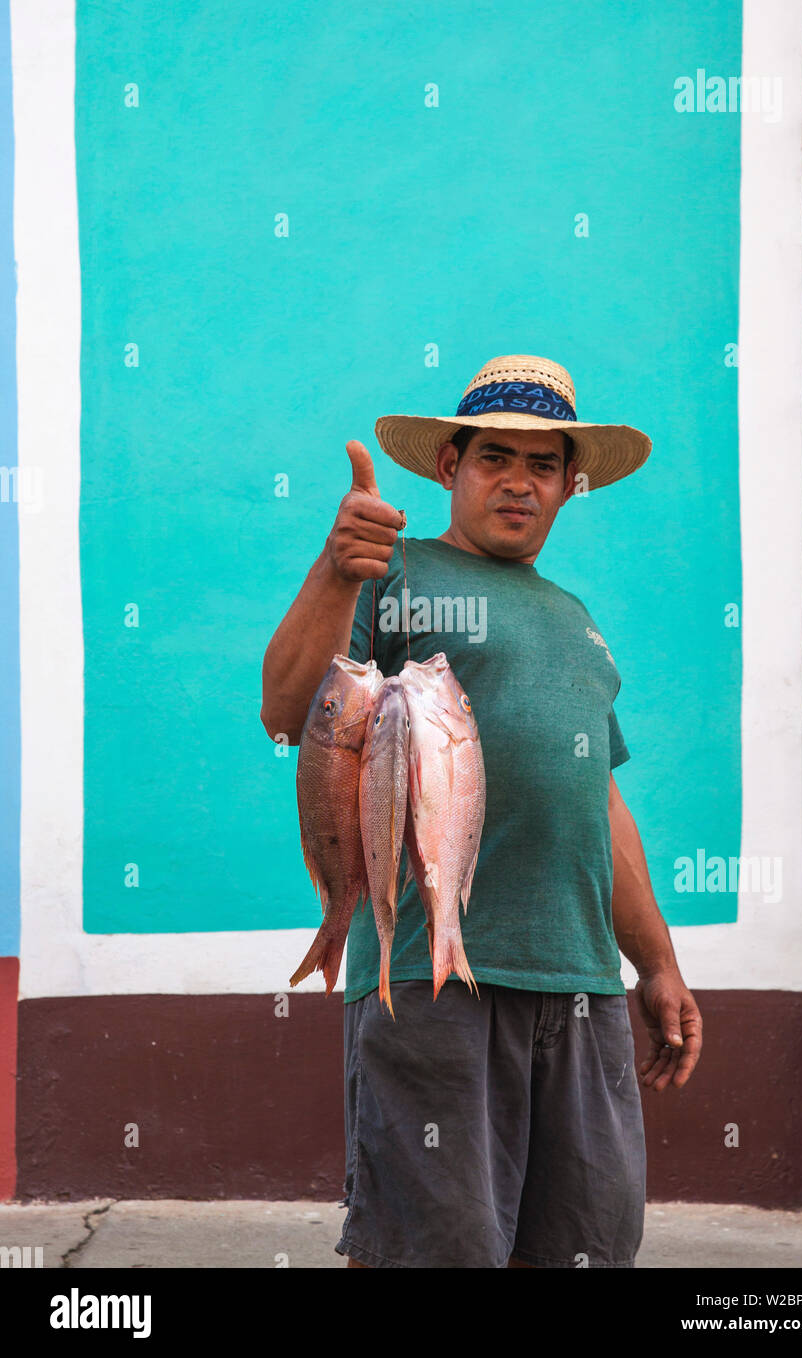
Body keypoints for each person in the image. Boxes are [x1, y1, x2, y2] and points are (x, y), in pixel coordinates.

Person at [260, 354, 703, 1269]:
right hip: (432, 977)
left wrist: (656, 963)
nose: (519, 482)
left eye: (543, 466)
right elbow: (287, 711)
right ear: (448, 469)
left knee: (590, 1243)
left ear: (570, 487)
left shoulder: (576, 617)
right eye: (495, 456)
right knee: (435, 1248)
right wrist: (337, 571)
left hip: (582, 988)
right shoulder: (392, 573)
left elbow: (597, 801)